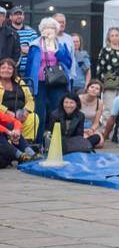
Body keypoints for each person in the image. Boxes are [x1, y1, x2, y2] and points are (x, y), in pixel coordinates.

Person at [24, 17, 73, 150]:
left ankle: (57, 141)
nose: (49, 30)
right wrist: (28, 85)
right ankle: (38, 142)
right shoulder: (35, 44)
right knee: (39, 111)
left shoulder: (61, 44)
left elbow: (68, 62)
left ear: (56, 30)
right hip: (39, 82)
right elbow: (29, 65)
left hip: (57, 82)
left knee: (57, 111)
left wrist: (56, 49)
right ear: (41, 30)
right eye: (46, 28)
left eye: (52, 28)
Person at [0, 57, 38, 143]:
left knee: (34, 117)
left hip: (21, 114)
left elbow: (30, 98)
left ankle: (26, 143)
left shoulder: (19, 81)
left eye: (10, 68)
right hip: (4, 116)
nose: (6, 70)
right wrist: (6, 112)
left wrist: (26, 111)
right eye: (3, 68)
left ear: (13, 71)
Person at [97, 27, 119, 109]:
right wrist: (101, 84)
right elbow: (100, 69)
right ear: (108, 38)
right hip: (109, 84)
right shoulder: (104, 50)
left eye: (116, 35)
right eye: (112, 35)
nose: (114, 37)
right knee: (108, 109)